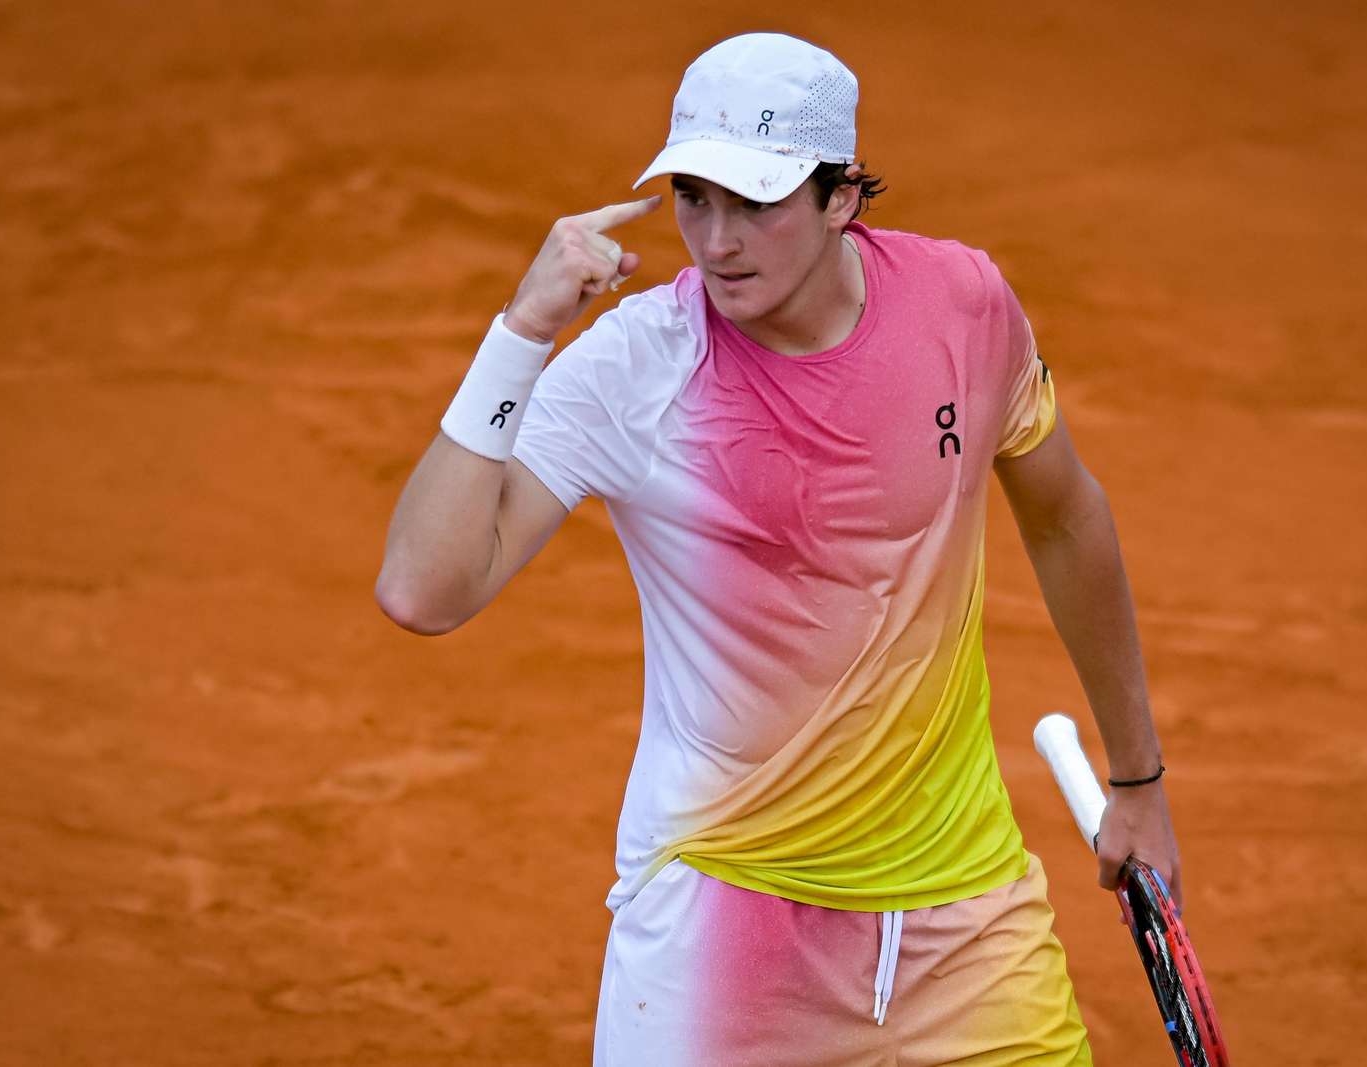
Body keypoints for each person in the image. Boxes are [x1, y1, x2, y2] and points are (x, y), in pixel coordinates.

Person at [376, 31, 1180, 1067]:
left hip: (967, 923)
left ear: (840, 197)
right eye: (693, 198)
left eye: (754, 202)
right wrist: (522, 332)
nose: (717, 242)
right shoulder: (638, 367)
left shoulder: (963, 307)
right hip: (724, 938)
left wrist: (1139, 779)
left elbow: (1065, 517)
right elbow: (423, 589)